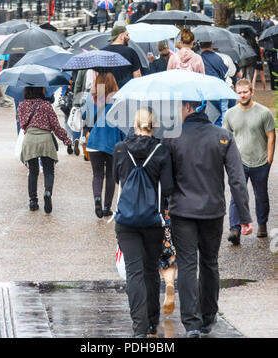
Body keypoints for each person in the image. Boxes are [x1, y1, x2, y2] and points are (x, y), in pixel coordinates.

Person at [162, 100, 252, 337]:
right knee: (210, 262)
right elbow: (237, 179)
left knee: (188, 264)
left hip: (182, 211)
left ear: (189, 108)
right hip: (212, 210)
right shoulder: (222, 136)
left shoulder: (172, 138)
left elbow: (164, 178)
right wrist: (244, 215)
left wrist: (163, 206)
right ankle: (208, 316)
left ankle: (191, 322)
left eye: (180, 108)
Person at [113, 108, 175, 338]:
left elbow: (117, 178)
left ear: (135, 124)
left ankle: (138, 328)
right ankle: (151, 322)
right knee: (150, 270)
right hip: (152, 220)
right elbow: (167, 188)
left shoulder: (120, 149)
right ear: (154, 124)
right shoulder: (161, 150)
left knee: (134, 272)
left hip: (126, 221)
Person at [223, 78, 276, 243]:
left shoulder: (264, 112)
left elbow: (271, 136)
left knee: (261, 195)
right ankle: (234, 229)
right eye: (239, 93)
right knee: (236, 195)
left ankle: (262, 224)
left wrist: (269, 158)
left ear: (252, 92)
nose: (243, 95)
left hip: (260, 161)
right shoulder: (230, 113)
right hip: (239, 162)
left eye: (245, 92)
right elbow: (226, 137)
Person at [17, 86, 72, 213]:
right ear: (41, 90)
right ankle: (47, 192)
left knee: (33, 171)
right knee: (49, 171)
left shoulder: (22, 105)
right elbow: (55, 126)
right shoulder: (46, 105)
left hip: (30, 139)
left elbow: (22, 124)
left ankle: (33, 201)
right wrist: (66, 140)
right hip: (46, 139)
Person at [85, 72, 125, 218]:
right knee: (110, 176)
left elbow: (86, 118)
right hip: (112, 144)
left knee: (97, 175)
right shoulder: (118, 101)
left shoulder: (93, 99)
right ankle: (107, 207)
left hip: (95, 142)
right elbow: (123, 126)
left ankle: (97, 198)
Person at [200, 40, 228, 126]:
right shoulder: (218, 58)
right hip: (219, 88)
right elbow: (224, 72)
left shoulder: (198, 58)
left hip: (205, 90)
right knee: (223, 112)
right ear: (211, 45)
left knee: (209, 114)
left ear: (200, 46)